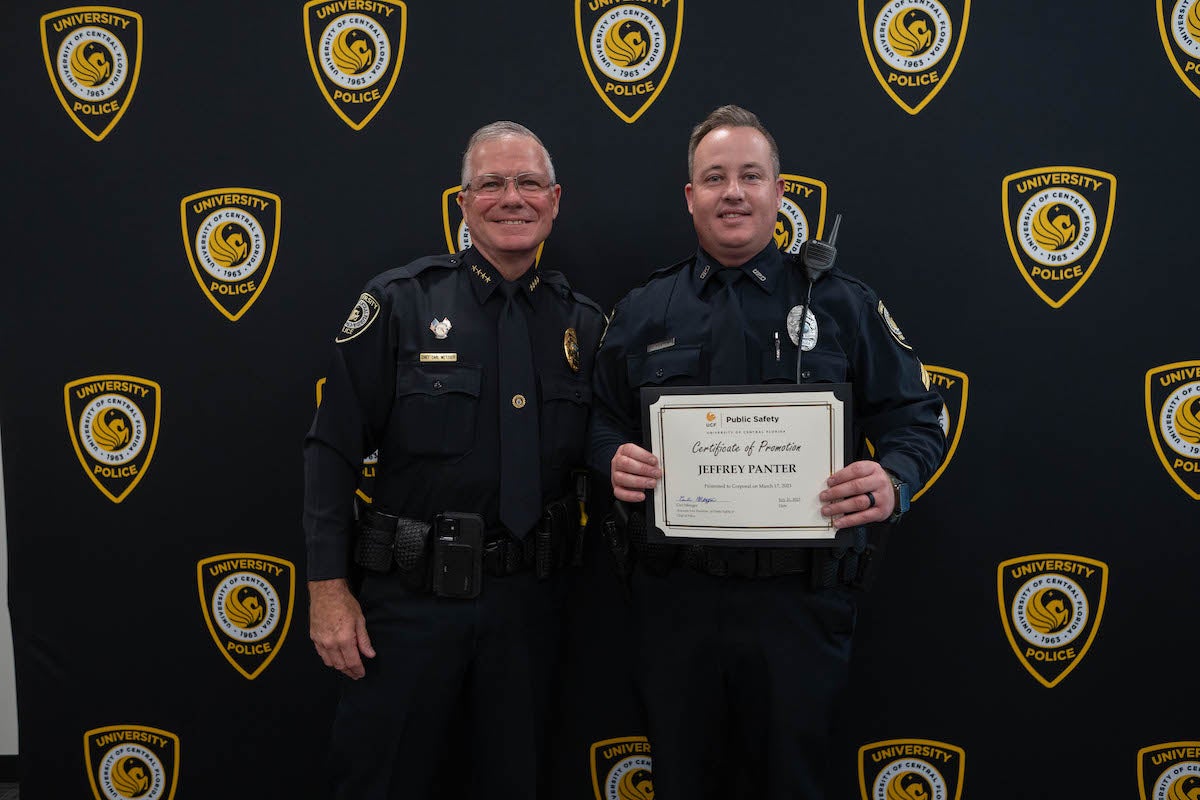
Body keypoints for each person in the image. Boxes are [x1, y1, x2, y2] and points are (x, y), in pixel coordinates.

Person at [589, 105, 946, 799]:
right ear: (690, 196)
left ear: (781, 193)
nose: (733, 192)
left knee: (794, 783)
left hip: (799, 604)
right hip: (676, 601)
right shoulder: (643, 310)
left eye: (751, 176)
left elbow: (916, 419)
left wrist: (894, 478)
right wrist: (610, 457)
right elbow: (599, 418)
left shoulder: (842, 304)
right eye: (714, 177)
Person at [303, 120, 605, 799]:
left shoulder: (581, 325)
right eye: (491, 184)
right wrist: (327, 592)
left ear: (554, 201)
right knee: (377, 778)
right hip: (411, 602)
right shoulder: (398, 305)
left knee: (515, 780)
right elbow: (330, 452)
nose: (512, 198)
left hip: (531, 605)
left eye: (529, 184)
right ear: (462, 203)